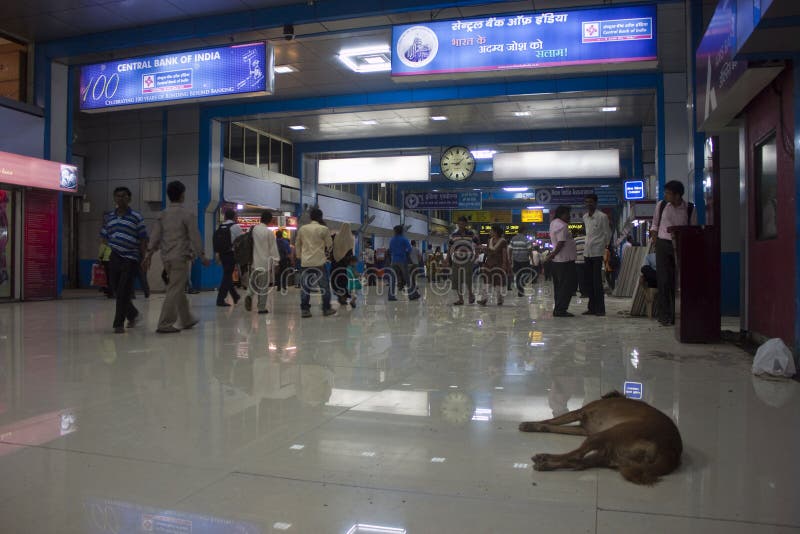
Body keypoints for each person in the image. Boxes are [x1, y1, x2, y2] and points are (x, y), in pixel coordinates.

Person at [145, 181, 210, 333]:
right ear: (182, 195)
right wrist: (202, 255)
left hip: (166, 258)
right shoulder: (187, 215)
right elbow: (195, 237)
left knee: (177, 287)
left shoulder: (162, 215)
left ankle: (187, 319)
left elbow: (154, 237)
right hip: (180, 257)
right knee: (175, 289)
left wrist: (148, 254)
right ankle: (165, 323)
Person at [100, 186, 148, 334]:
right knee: (115, 288)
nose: (120, 198)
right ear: (114, 198)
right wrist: (113, 245)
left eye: (124, 196)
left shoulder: (136, 217)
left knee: (123, 291)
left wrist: (144, 258)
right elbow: (104, 236)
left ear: (129, 198)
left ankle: (118, 324)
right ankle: (133, 314)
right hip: (114, 256)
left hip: (131, 258)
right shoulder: (109, 217)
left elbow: (143, 239)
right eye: (118, 196)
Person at [650, 180, 697, 326]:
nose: (665, 195)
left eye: (668, 193)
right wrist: (655, 240)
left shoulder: (689, 209)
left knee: (679, 282)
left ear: (677, 195)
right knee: (664, 280)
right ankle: (664, 316)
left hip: (681, 246)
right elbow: (654, 225)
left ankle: (679, 315)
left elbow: (693, 229)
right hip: (663, 245)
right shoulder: (661, 205)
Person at [296, 207, 335, 318]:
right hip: (319, 262)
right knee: (324, 287)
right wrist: (327, 254)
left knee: (305, 287)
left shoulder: (303, 229)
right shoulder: (324, 229)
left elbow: (297, 244)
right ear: (321, 217)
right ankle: (326, 308)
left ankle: (305, 310)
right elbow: (330, 245)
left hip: (305, 262)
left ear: (310, 217)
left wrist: (299, 256)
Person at [244, 210, 280, 314]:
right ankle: (261, 307)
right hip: (265, 264)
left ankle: (249, 294)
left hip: (254, 262)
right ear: (270, 220)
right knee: (263, 286)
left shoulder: (253, 229)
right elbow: (273, 249)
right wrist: (276, 262)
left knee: (253, 283)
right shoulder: (269, 233)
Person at [545, 205, 578, 317]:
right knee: (566, 286)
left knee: (559, 286)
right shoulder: (562, 225)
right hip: (565, 261)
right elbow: (561, 242)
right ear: (561, 214)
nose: (569, 216)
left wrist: (553, 255)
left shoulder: (553, 223)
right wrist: (552, 254)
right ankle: (561, 310)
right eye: (567, 214)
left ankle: (558, 309)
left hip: (558, 262)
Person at [582, 194, 612, 316]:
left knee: (597, 282)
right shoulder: (585, 217)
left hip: (597, 253)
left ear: (595, 203)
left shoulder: (602, 217)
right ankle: (591, 308)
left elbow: (607, 233)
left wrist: (603, 246)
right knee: (589, 282)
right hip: (587, 253)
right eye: (587, 202)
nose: (588, 204)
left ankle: (600, 309)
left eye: (591, 202)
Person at [214, 208, 243, 307]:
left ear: (225, 217)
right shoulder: (235, 227)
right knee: (227, 276)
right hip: (231, 254)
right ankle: (220, 299)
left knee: (227, 274)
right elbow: (241, 240)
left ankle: (235, 296)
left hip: (222, 254)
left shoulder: (220, 226)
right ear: (234, 217)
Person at [448, 216, 479, 305]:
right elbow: (450, 247)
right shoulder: (454, 235)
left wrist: (476, 254)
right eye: (459, 223)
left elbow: (478, 243)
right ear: (457, 224)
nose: (461, 225)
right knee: (456, 279)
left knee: (468, 278)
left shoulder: (471, 234)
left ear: (466, 224)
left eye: (463, 223)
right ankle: (460, 299)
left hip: (468, 259)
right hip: (456, 259)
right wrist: (447, 259)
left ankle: (471, 295)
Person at [478, 224, 509, 306]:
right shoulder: (489, 241)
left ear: (496, 232)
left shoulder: (503, 241)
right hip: (489, 263)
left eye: (491, 230)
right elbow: (488, 252)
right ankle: (484, 299)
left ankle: (499, 299)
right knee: (487, 281)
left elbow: (504, 253)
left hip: (498, 263)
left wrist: (504, 263)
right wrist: (484, 251)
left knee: (498, 281)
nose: (490, 232)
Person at [387, 225, 420, 301]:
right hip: (402, 260)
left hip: (394, 261)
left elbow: (390, 250)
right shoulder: (404, 239)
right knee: (407, 278)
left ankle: (391, 296)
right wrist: (405, 254)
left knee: (393, 278)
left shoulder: (392, 240)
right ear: (401, 231)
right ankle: (412, 295)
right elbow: (409, 249)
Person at [331, 222, 355, 305]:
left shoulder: (335, 237)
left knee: (336, 280)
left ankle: (340, 296)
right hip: (345, 265)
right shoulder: (351, 239)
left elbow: (330, 247)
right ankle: (344, 297)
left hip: (335, 264)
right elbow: (351, 253)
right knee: (344, 281)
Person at [508, 231, 532, 297]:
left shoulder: (513, 238)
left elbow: (510, 249)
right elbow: (530, 249)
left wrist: (510, 258)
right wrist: (532, 259)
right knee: (527, 273)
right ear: (524, 231)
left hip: (516, 260)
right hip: (525, 260)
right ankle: (521, 285)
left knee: (518, 275)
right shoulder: (526, 239)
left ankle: (520, 289)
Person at [574, 233, 587, 298]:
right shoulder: (587, 238)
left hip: (578, 262)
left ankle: (583, 293)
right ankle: (587, 292)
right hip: (586, 261)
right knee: (586, 277)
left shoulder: (575, 240)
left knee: (580, 278)